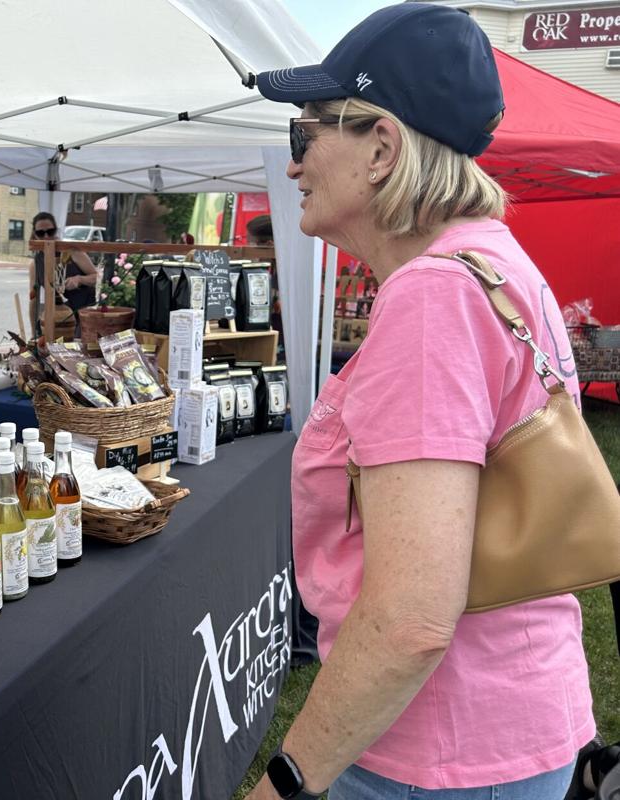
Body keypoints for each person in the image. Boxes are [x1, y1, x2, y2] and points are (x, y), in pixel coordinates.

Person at [248, 4, 592, 799]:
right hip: (509, 717)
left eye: (305, 135)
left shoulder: (434, 297)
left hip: (446, 750)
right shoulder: (492, 262)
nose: (293, 165)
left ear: (382, 147)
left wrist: (286, 784)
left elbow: (409, 621)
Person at [28, 211, 98, 335]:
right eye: (40, 233)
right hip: (60, 319)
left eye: (50, 232)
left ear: (56, 230)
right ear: (34, 234)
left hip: (83, 317)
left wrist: (80, 279)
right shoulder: (36, 264)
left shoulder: (72, 252)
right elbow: (34, 300)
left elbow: (96, 277)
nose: (46, 237)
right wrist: (33, 333)